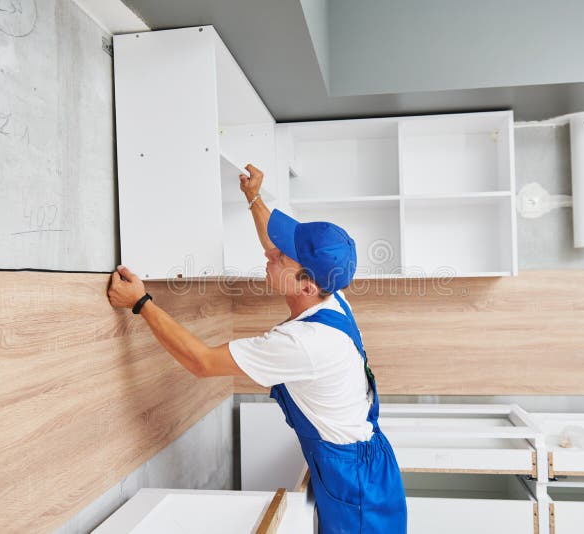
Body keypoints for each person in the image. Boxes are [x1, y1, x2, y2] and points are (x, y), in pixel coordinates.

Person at [108, 164, 407, 533]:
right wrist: (253, 197)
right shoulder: (332, 294)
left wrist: (140, 303)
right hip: (364, 467)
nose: (269, 254)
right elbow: (273, 243)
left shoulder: (304, 343)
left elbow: (201, 362)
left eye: (281, 257)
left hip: (357, 490)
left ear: (306, 286)